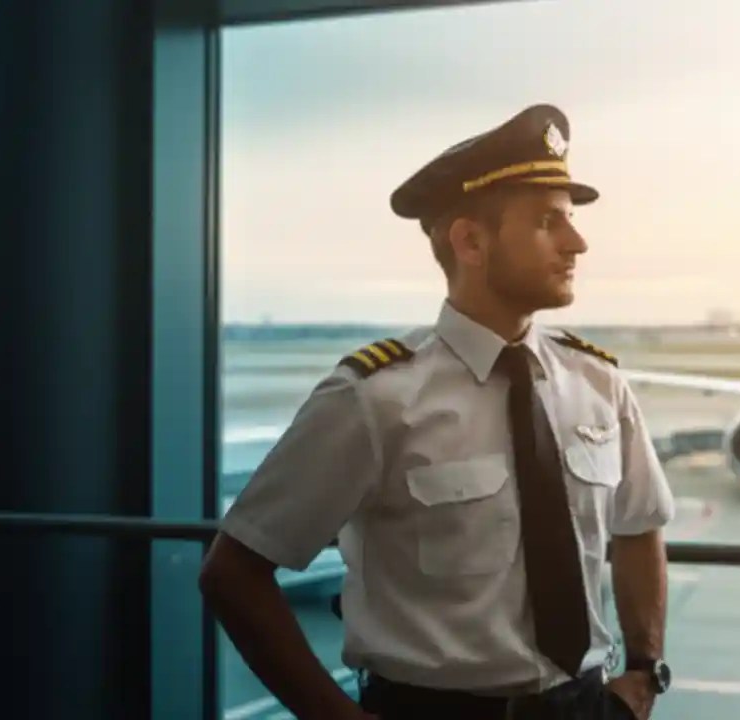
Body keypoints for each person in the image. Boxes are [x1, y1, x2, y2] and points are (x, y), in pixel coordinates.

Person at [198, 103, 676, 720]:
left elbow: (640, 526)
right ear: (471, 242)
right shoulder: (374, 398)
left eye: (572, 221)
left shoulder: (599, 384)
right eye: (548, 222)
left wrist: (642, 672)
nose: (577, 241)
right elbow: (233, 573)